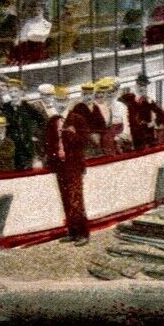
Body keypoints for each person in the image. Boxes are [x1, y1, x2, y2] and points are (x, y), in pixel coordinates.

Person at [44, 84, 90, 244]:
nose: (60, 103)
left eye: (63, 100)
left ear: (68, 101)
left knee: (76, 199)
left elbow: (84, 141)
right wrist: (51, 159)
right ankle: (72, 232)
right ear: (54, 102)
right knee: (65, 199)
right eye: (58, 100)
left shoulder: (77, 119)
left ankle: (83, 234)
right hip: (60, 166)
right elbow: (49, 143)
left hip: (74, 165)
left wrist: (70, 134)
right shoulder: (53, 121)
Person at [120, 72, 164, 151]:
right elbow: (118, 106)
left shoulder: (148, 100)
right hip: (133, 132)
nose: (141, 88)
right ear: (136, 85)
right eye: (140, 85)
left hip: (146, 133)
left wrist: (153, 123)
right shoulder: (128, 98)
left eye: (144, 86)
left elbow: (161, 114)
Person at [67, 82, 106, 160]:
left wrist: (98, 134)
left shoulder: (95, 107)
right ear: (82, 95)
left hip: (98, 138)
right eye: (85, 94)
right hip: (85, 141)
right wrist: (91, 134)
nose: (88, 97)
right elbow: (76, 127)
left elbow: (102, 124)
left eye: (90, 94)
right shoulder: (78, 108)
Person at [13, 0, 52, 66]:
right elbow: (21, 37)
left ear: (42, 11)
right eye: (34, 10)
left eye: (38, 10)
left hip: (38, 50)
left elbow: (43, 36)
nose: (36, 12)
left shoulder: (46, 24)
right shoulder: (28, 23)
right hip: (27, 49)